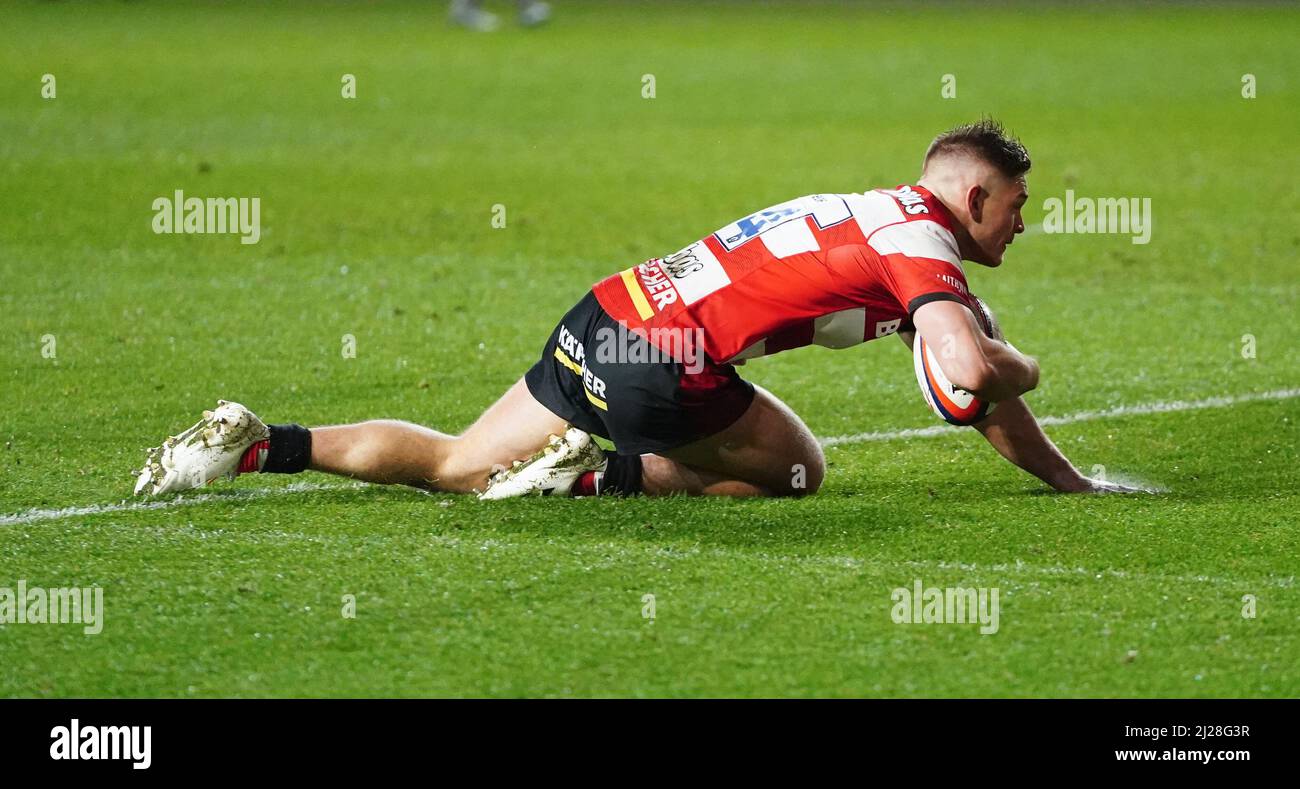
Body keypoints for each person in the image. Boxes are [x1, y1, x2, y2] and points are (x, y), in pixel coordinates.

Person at [134, 120, 1141, 500]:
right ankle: (588, 476)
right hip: (666, 362)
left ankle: (258, 444)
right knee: (795, 473)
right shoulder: (920, 242)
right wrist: (1028, 371)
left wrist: (1061, 476)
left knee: (453, 465)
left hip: (610, 309)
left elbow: (965, 357)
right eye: (1016, 206)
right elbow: (967, 377)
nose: (1022, 224)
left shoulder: (875, 221)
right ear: (973, 197)